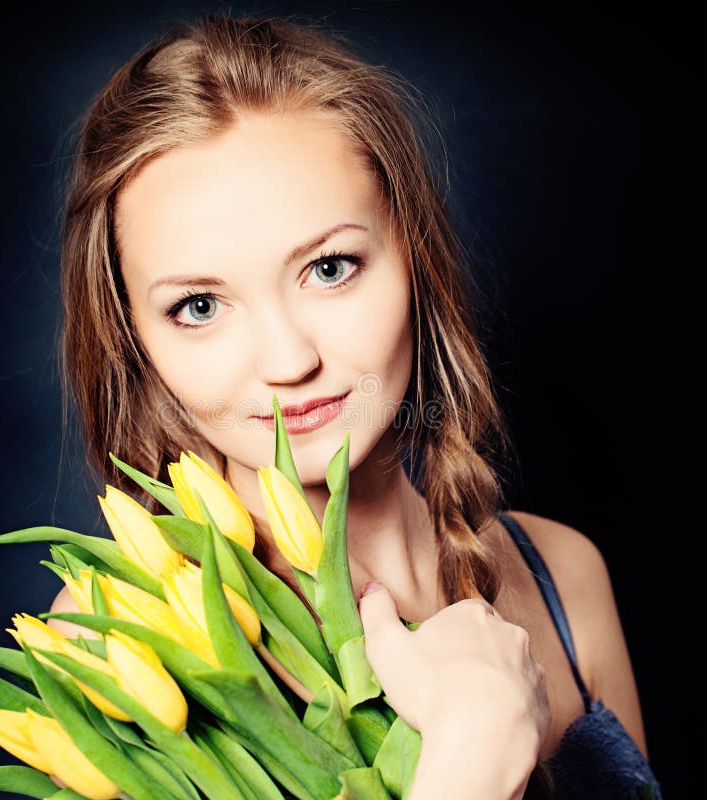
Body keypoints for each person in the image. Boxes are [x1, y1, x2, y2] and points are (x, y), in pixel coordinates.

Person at [47, 12, 662, 799]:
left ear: (414, 260)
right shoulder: (111, 639)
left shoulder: (563, 576)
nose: (289, 360)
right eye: (199, 306)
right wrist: (470, 763)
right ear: (133, 337)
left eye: (330, 267)